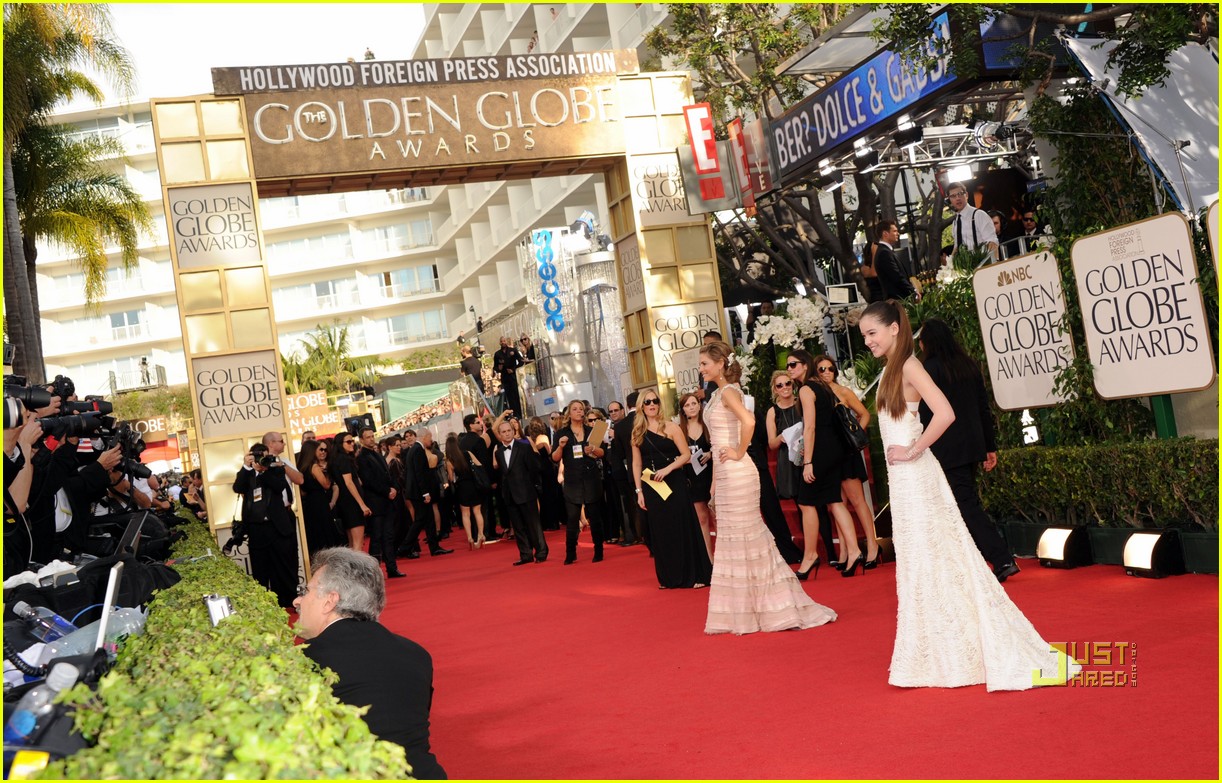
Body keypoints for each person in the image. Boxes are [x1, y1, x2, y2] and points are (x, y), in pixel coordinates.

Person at [858, 300, 1079, 690]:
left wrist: (913, 448)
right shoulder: (891, 369)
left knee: (940, 556)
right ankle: (934, 648)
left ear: (894, 328)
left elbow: (944, 413)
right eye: (864, 336)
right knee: (921, 562)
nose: (868, 341)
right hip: (903, 482)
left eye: (872, 333)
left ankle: (956, 648)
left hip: (917, 475)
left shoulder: (910, 364)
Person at [698, 342, 836, 635]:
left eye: (704, 364)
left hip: (737, 474)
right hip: (724, 475)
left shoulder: (728, 392)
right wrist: (713, 482)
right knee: (734, 540)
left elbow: (748, 422)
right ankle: (747, 610)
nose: (701, 369)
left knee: (749, 538)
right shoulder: (714, 395)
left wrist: (737, 451)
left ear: (721, 364)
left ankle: (776, 606)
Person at [294, 547, 447, 779]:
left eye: (305, 591)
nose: (297, 600)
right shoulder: (417, 654)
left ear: (329, 601)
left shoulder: (307, 658)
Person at [917, 318, 1018, 581]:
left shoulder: (929, 369)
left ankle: (1001, 558)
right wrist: (988, 447)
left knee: (964, 505)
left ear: (927, 343)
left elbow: (926, 414)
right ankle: (977, 561)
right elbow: (983, 408)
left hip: (946, 449)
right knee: (964, 503)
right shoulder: (968, 365)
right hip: (972, 445)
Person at [787, 350, 862, 578]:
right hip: (835, 449)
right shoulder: (823, 385)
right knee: (834, 501)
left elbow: (809, 427)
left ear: (804, 365)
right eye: (788, 365)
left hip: (821, 451)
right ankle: (855, 551)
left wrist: (808, 462)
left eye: (793, 364)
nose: (789, 369)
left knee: (806, 502)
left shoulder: (807, 389)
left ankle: (810, 556)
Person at [632, 389, 712, 589]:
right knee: (661, 530)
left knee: (682, 526)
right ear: (641, 406)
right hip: (652, 486)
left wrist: (668, 469)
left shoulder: (671, 427)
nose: (652, 405)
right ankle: (669, 577)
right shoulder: (637, 433)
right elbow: (636, 464)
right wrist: (639, 491)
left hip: (674, 481)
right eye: (648, 402)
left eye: (655, 401)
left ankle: (693, 575)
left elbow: (685, 455)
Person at [813, 355, 880, 568]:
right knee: (837, 504)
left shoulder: (843, 392)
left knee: (857, 501)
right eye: (821, 369)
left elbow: (864, 414)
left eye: (830, 368)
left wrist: (855, 434)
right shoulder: (816, 395)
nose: (826, 372)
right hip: (829, 455)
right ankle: (845, 551)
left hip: (847, 454)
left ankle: (872, 545)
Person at [233, 441, 299, 608]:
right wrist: (247, 468)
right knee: (260, 569)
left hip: (277, 527)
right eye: (258, 458)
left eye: (264, 457)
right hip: (257, 529)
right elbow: (237, 487)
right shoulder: (247, 474)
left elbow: (279, 487)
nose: (261, 461)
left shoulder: (275, 469)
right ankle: (265, 605)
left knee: (283, 567)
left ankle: (288, 601)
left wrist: (264, 471)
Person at [551, 400, 605, 565]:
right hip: (572, 480)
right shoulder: (561, 433)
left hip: (591, 478)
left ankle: (599, 550)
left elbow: (602, 453)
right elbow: (554, 458)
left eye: (581, 409)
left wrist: (593, 450)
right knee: (573, 518)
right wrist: (561, 447)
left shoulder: (592, 431)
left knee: (595, 516)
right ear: (569, 413)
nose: (579, 412)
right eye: (575, 409)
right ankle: (570, 553)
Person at [492, 419, 548, 565]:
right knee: (518, 527)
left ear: (513, 431)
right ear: (499, 434)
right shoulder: (498, 452)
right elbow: (504, 474)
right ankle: (526, 554)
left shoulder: (524, 447)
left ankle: (541, 551)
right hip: (510, 495)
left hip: (526, 492)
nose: (507, 434)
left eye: (509, 430)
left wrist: (533, 487)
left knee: (533, 525)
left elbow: (534, 469)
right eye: (503, 432)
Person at [357, 427, 404, 578]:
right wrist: (387, 491)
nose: (371, 439)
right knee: (376, 538)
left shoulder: (377, 454)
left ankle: (392, 568)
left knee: (388, 536)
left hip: (387, 501)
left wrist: (393, 489)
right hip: (375, 503)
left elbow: (387, 475)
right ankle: (373, 573)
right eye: (368, 437)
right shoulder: (362, 458)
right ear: (361, 440)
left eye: (372, 436)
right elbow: (368, 481)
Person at [679, 392, 714, 563]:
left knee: (717, 516)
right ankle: (709, 557)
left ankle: (724, 556)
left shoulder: (709, 425)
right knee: (702, 518)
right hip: (692, 477)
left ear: (699, 406)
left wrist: (710, 453)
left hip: (711, 475)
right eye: (687, 405)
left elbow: (721, 444)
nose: (691, 407)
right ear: (683, 410)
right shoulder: (680, 430)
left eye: (694, 403)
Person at [405, 429, 447, 557]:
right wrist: (425, 493)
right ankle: (404, 547)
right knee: (420, 520)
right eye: (430, 437)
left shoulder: (415, 449)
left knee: (428, 520)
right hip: (419, 493)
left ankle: (434, 547)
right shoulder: (418, 450)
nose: (431, 440)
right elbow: (419, 474)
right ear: (424, 437)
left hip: (416, 491)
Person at [298, 439, 343, 556]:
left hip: (309, 504)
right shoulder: (314, 467)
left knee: (315, 535)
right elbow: (327, 485)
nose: (322, 452)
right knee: (326, 534)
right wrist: (327, 472)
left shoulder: (302, 467)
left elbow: (302, 491)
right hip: (320, 503)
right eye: (319, 450)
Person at [605, 396, 639, 547]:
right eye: (610, 411)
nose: (613, 413)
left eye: (616, 410)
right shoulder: (608, 428)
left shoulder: (622, 427)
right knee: (628, 504)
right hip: (619, 471)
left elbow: (620, 452)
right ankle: (635, 534)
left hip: (628, 469)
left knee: (631, 504)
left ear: (623, 409)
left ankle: (634, 535)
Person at [329, 434, 371, 552]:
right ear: (340, 444)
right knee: (358, 544)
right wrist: (362, 504)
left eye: (352, 441)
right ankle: (356, 570)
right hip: (352, 503)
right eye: (348, 442)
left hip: (344, 503)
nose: (352, 443)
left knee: (352, 543)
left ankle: (351, 569)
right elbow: (349, 483)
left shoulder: (336, 459)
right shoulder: (344, 459)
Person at [446, 431, 487, 549]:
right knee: (477, 512)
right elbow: (479, 465)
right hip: (474, 485)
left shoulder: (449, 461)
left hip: (462, 488)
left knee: (465, 514)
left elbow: (451, 478)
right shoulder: (468, 453)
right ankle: (481, 534)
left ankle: (470, 537)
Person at [764, 370, 800, 502]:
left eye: (787, 383)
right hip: (788, 460)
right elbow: (772, 444)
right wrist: (782, 437)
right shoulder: (772, 412)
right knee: (800, 503)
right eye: (779, 385)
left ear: (792, 385)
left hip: (807, 453)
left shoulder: (802, 402)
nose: (784, 387)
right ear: (775, 390)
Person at [526, 416, 564, 531]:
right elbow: (549, 452)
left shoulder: (529, 440)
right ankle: (552, 522)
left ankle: (544, 522)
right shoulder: (543, 437)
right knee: (550, 495)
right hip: (547, 469)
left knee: (541, 497)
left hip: (536, 470)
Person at [947, 182, 998, 259]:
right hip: (966, 268)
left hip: (983, 264)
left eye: (960, 194)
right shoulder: (955, 222)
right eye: (953, 196)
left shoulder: (979, 215)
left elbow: (992, 242)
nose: (957, 198)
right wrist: (949, 265)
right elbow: (957, 247)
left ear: (966, 195)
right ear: (950, 200)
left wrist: (994, 266)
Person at [873, 220, 918, 301]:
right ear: (885, 234)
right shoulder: (884, 253)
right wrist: (913, 291)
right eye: (894, 231)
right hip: (897, 300)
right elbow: (896, 276)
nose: (898, 233)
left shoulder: (886, 251)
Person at [493, 336, 525, 416]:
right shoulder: (497, 354)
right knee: (510, 398)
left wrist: (514, 369)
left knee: (517, 396)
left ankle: (520, 413)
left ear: (506, 342)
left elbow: (521, 361)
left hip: (514, 377)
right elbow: (495, 367)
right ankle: (514, 415)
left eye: (504, 341)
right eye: (501, 341)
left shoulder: (513, 350)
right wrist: (498, 369)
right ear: (499, 343)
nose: (503, 342)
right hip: (505, 379)